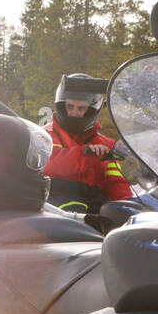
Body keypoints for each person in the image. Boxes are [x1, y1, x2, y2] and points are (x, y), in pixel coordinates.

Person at [43, 73, 132, 217]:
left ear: (91, 110)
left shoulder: (106, 144)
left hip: (94, 209)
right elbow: (50, 165)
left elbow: (115, 182)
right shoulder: (45, 136)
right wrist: (86, 153)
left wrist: (128, 206)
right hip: (54, 207)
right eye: (70, 106)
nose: (74, 113)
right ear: (61, 105)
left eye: (81, 108)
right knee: (75, 205)